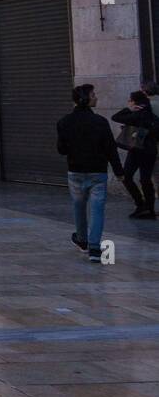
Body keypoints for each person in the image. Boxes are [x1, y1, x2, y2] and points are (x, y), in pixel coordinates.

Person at [56, 84, 123, 263]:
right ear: (86, 98)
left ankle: (81, 239)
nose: (96, 97)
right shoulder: (100, 122)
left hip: (76, 171)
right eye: (93, 94)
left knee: (78, 206)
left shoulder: (64, 121)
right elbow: (110, 149)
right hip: (97, 172)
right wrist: (119, 172)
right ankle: (94, 248)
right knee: (97, 210)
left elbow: (61, 149)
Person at [112, 91, 158, 219]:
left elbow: (115, 117)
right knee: (145, 180)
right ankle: (149, 209)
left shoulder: (136, 115)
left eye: (130, 100)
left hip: (136, 151)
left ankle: (140, 204)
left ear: (134, 102)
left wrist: (128, 109)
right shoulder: (152, 116)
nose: (129, 102)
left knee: (126, 177)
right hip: (149, 151)